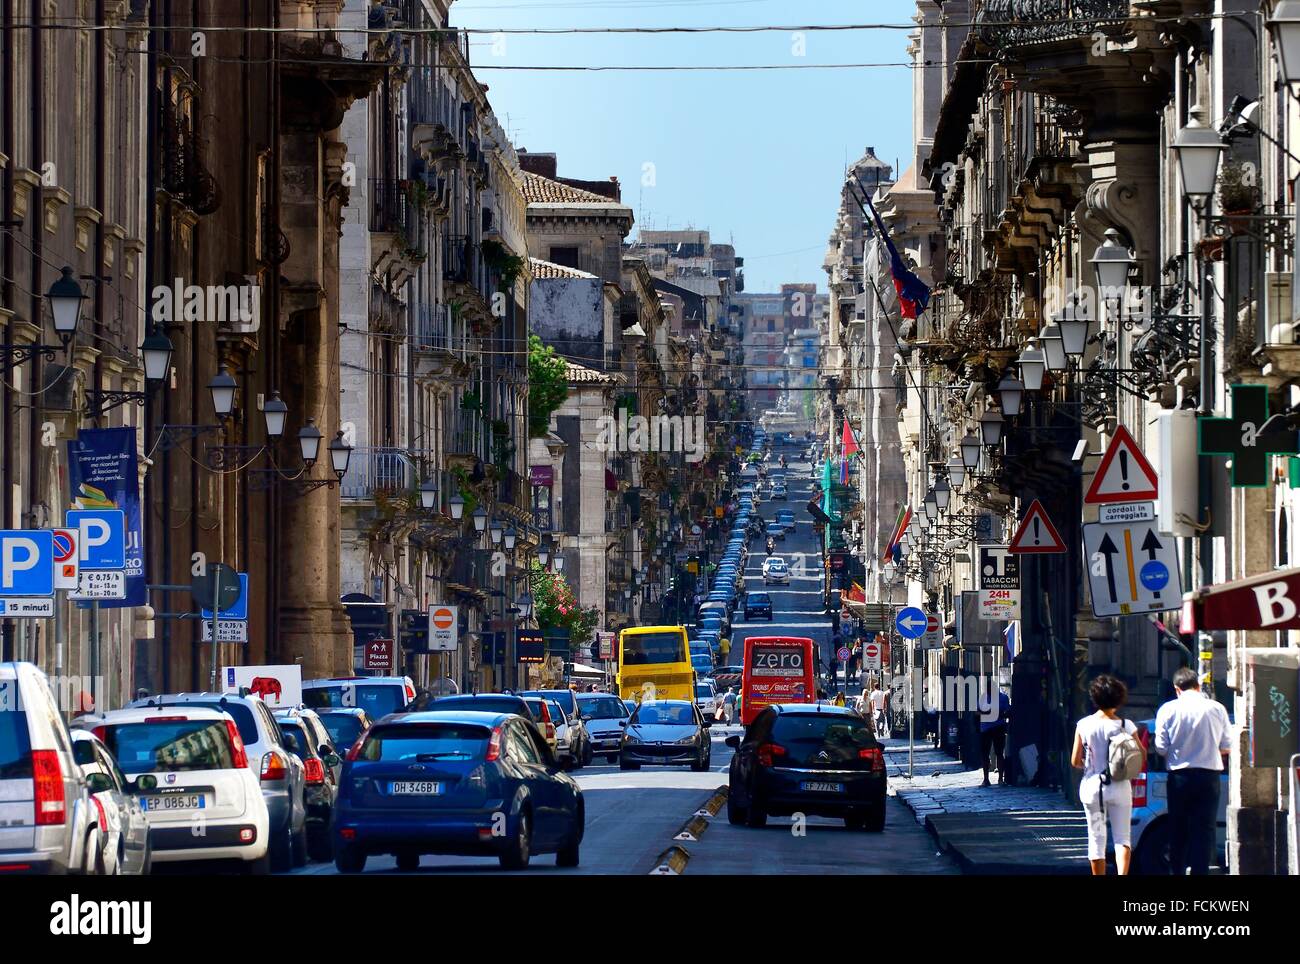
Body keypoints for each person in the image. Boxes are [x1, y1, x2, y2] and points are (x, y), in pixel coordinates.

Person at [1154, 667, 1231, 876]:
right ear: (1198, 686)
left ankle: (1177, 871)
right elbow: (1227, 746)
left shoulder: (1168, 709)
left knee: (1178, 828)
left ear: (1177, 689)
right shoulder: (1217, 708)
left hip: (1179, 776)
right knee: (1204, 830)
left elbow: (1160, 748)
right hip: (1209, 776)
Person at [1072, 674, 1144, 876]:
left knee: (1096, 838)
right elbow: (1141, 754)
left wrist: (1088, 765)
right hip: (1120, 787)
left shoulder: (1084, 724)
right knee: (1122, 838)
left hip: (1093, 788)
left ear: (1094, 697)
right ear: (1119, 698)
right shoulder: (1126, 725)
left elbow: (1075, 760)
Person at [979, 688, 1011, 787]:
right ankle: (987, 779)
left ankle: (999, 779)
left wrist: (997, 714)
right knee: (987, 754)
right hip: (987, 728)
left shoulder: (1003, 698)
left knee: (999, 753)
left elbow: (1008, 712)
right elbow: (977, 712)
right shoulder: (984, 698)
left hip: (996, 728)